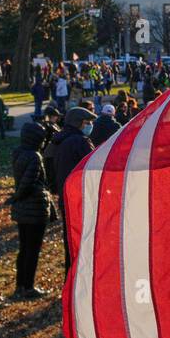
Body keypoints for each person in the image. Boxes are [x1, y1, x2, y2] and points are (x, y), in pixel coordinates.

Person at [50, 106, 97, 272]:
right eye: (87, 123)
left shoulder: (58, 140)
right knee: (83, 241)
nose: (90, 126)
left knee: (69, 240)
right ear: (79, 124)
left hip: (65, 196)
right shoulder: (80, 141)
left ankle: (69, 279)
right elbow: (94, 166)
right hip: (81, 197)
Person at [9, 121, 53, 298]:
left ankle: (20, 284)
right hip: (34, 208)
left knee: (24, 248)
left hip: (23, 209)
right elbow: (29, 182)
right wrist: (18, 195)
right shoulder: (35, 157)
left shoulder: (19, 153)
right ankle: (28, 286)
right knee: (32, 251)